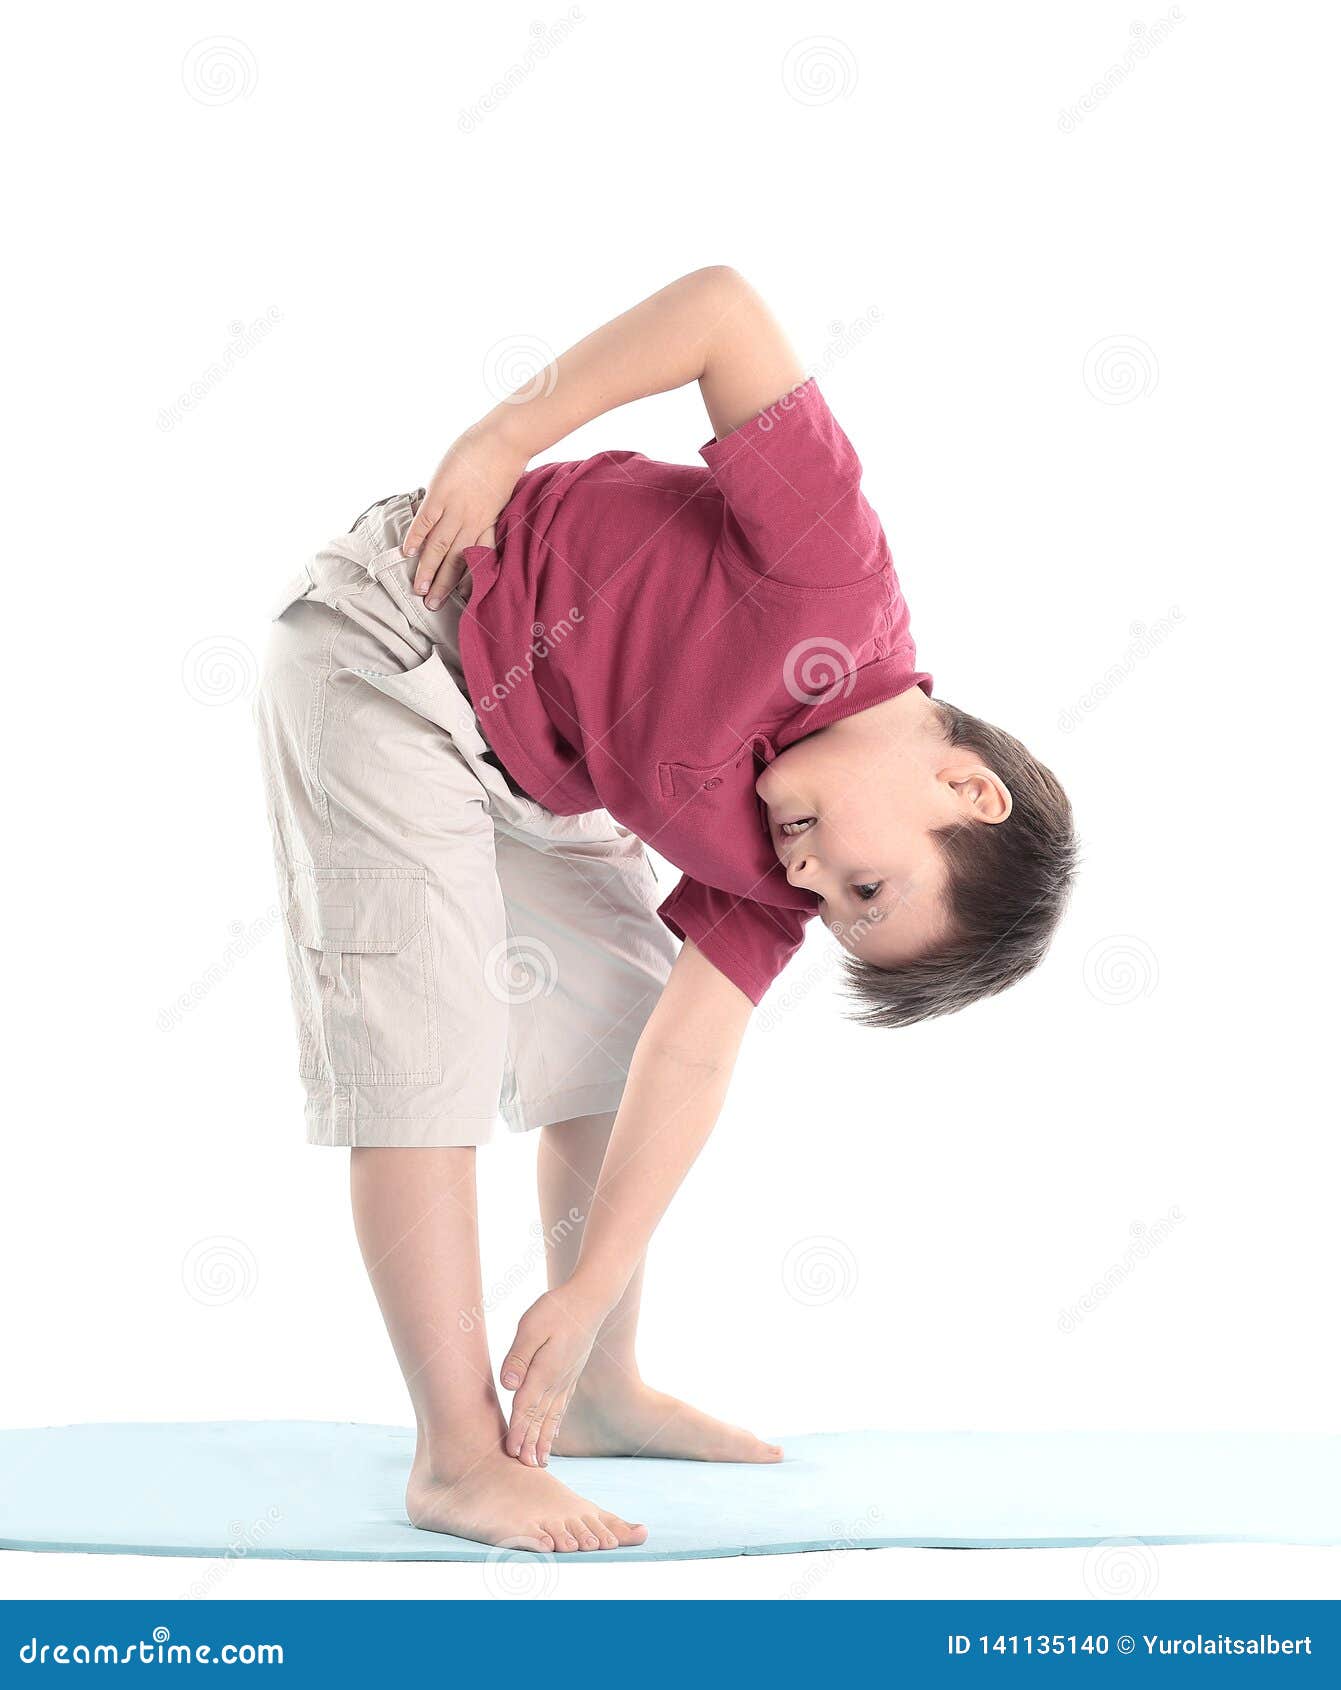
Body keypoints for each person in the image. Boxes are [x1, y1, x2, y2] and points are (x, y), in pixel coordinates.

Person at [255, 267, 1076, 1553]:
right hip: (395, 655)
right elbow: (720, 312)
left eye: (839, 914)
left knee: (618, 1023)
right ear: (962, 785)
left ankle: (592, 1390)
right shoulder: (834, 580)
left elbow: (688, 1054)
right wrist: (505, 435)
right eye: (865, 887)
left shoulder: (773, 861)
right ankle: (459, 1457)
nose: (810, 887)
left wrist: (580, 1291)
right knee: (430, 1045)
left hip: (537, 761)